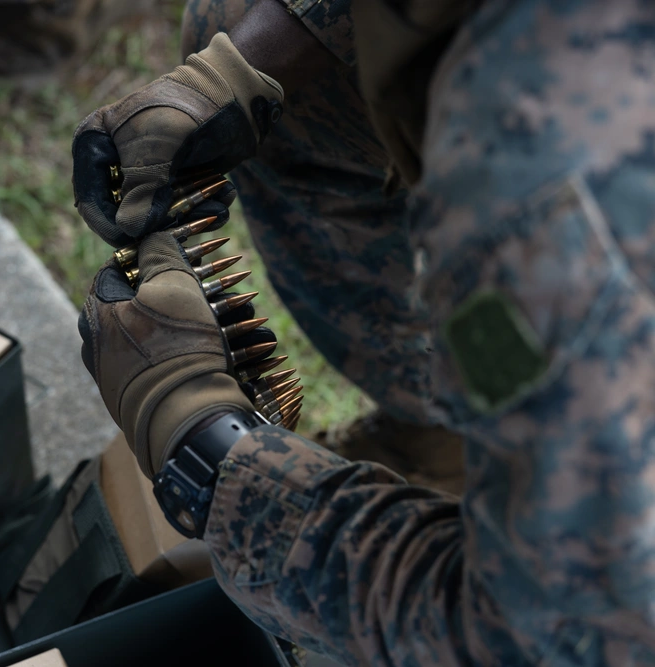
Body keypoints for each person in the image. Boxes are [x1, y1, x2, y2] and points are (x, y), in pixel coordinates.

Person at [71, 0, 655, 664]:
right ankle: (443, 440)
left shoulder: (547, 208)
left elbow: (545, 640)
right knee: (244, 34)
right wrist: (229, 74)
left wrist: (206, 451)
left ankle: (522, 454)